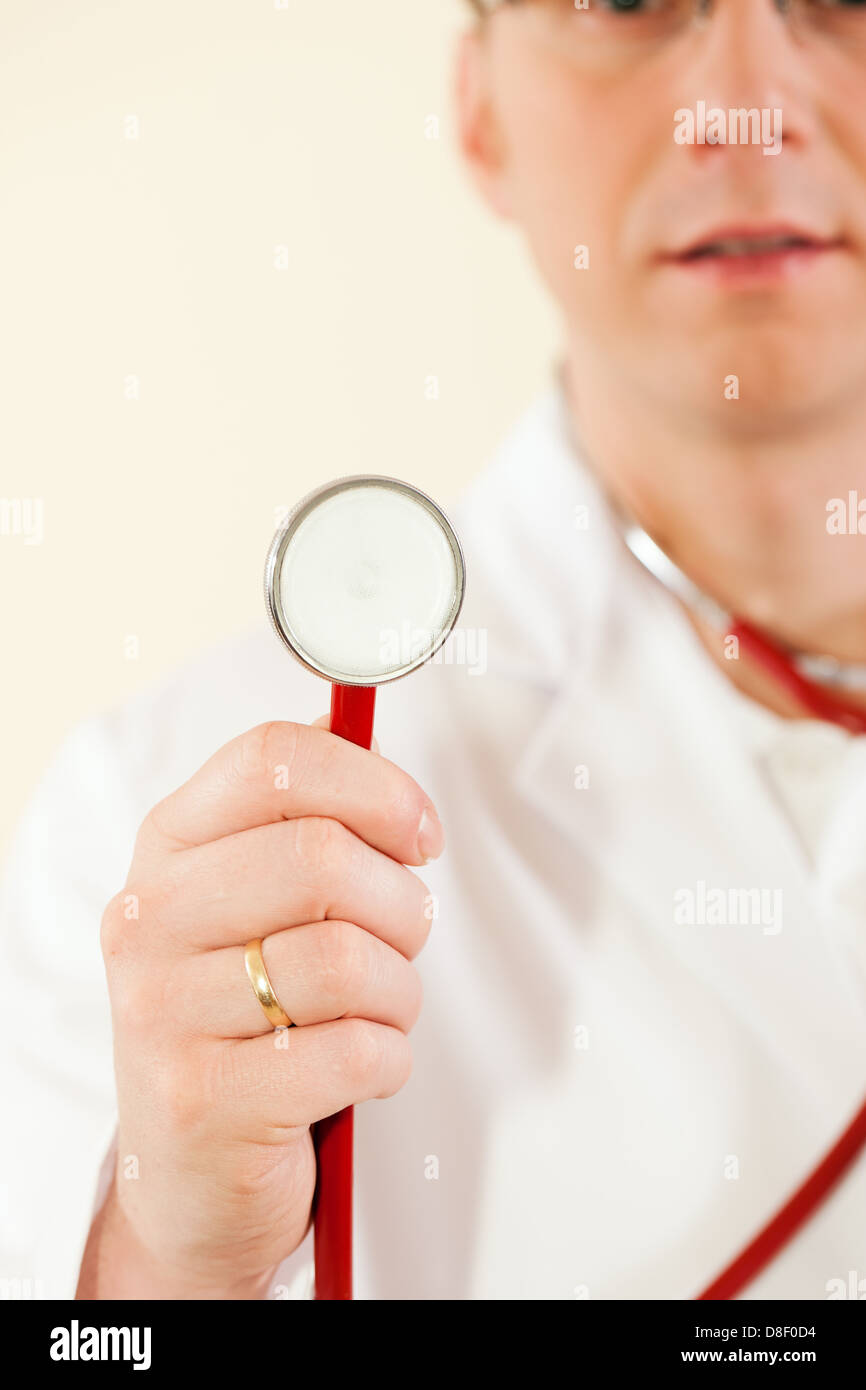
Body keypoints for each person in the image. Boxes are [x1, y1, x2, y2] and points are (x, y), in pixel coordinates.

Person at [3, 0, 866, 1300]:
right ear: (479, 114)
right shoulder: (155, 827)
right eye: (627, 2)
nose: (741, 106)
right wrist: (163, 1266)